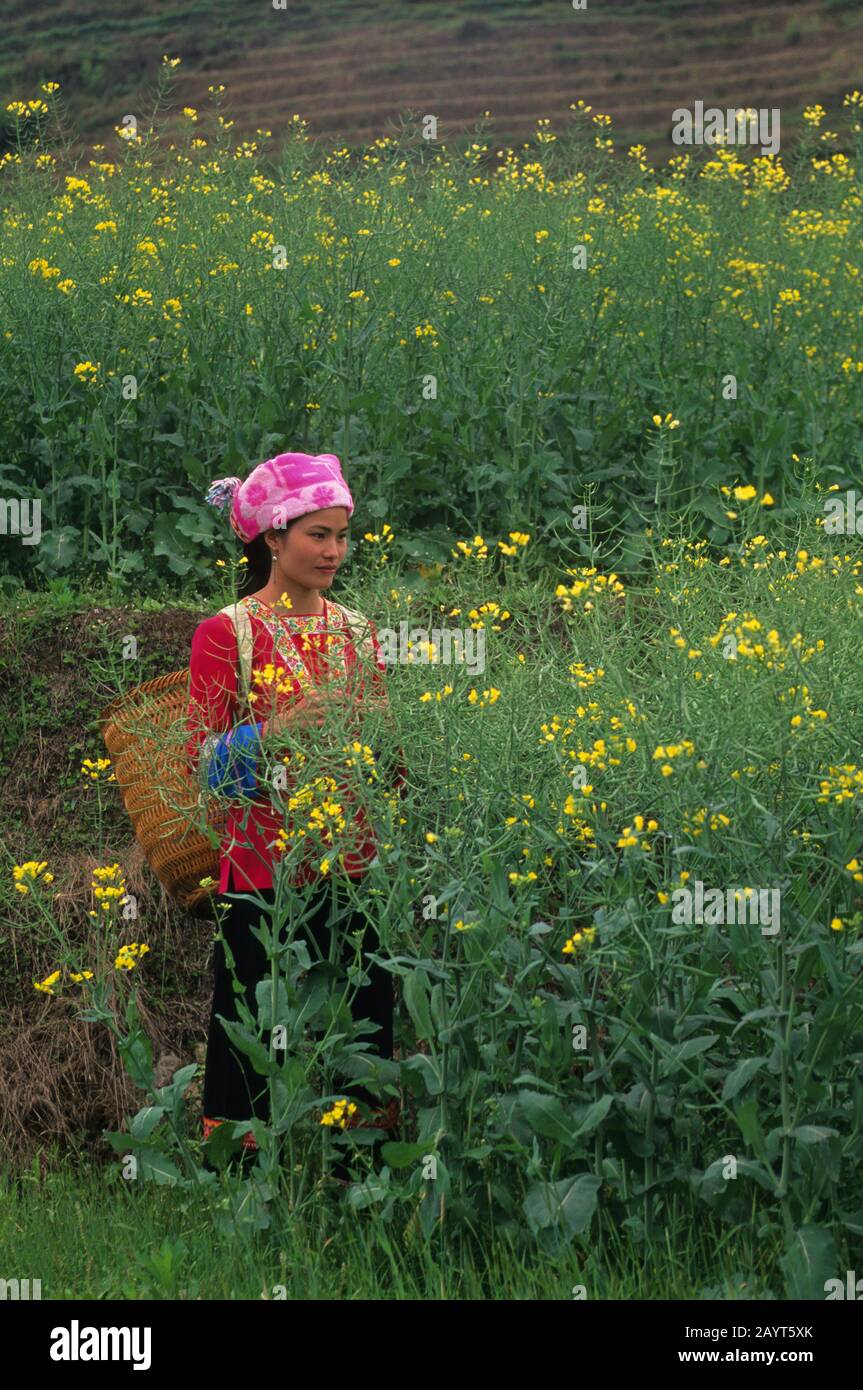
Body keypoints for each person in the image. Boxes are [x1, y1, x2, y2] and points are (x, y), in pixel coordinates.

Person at [184, 451, 404, 1174]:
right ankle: (240, 1170)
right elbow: (205, 765)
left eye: (342, 534)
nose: (334, 550)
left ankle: (357, 1166)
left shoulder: (354, 629)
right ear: (271, 539)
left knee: (366, 1006)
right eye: (317, 534)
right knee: (249, 1018)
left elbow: (386, 757)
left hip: (351, 854)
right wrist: (289, 724)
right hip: (261, 865)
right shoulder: (227, 633)